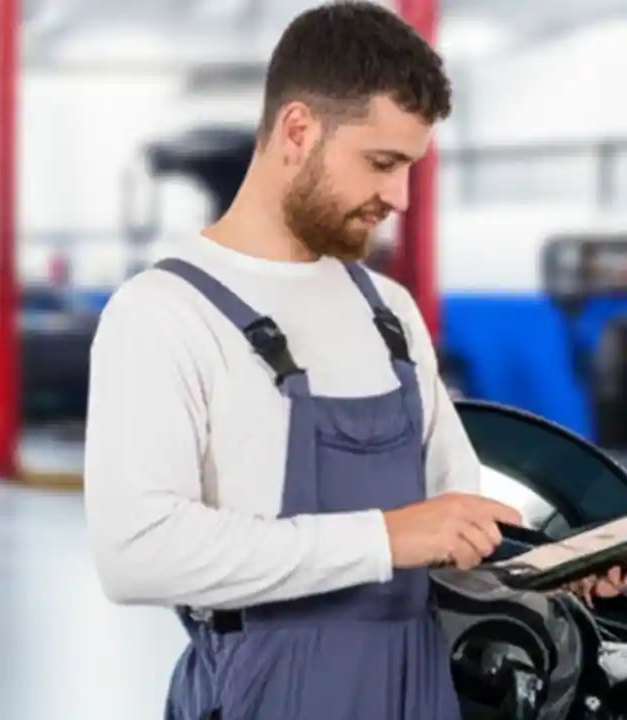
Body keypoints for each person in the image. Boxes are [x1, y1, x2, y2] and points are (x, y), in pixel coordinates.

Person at [82, 3, 619, 719]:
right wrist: (386, 537)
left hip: (419, 682)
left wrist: (550, 572)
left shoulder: (387, 311)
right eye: (381, 163)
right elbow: (135, 552)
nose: (399, 197)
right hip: (269, 692)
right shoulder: (164, 313)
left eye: (409, 167)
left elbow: (449, 523)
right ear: (298, 130)